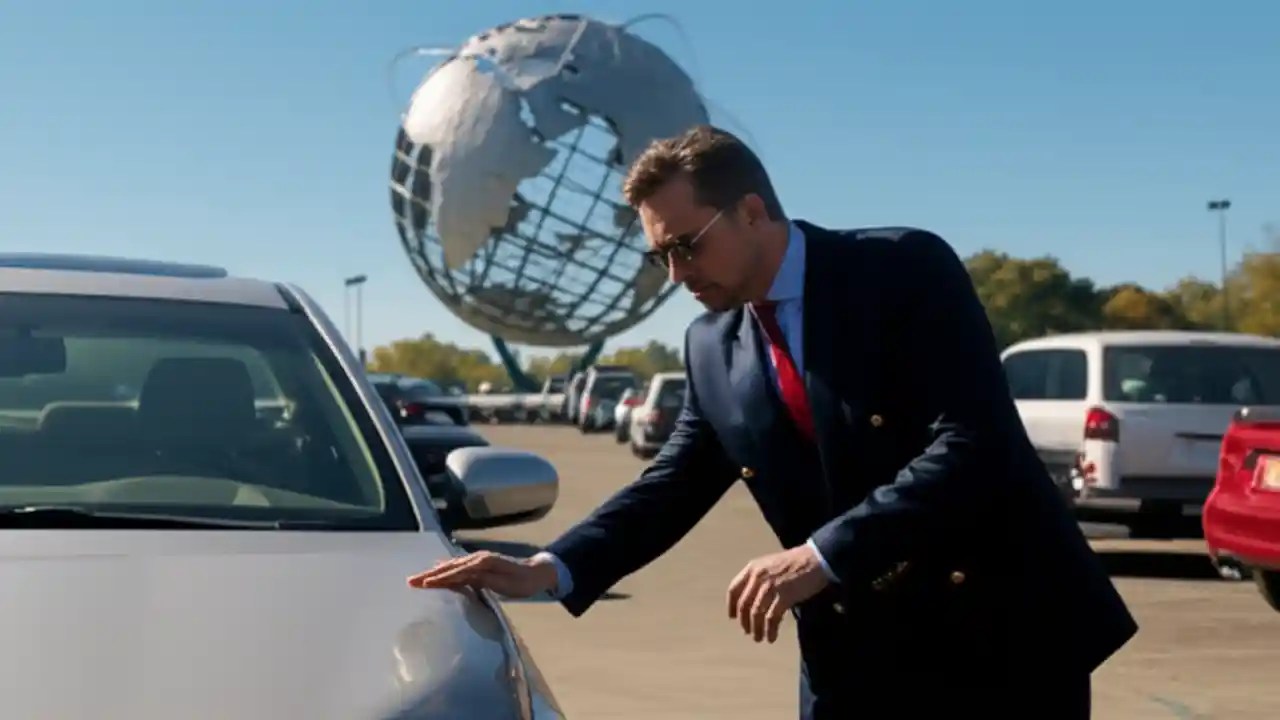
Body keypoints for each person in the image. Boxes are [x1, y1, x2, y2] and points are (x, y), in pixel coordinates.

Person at [407, 124, 1138, 718]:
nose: (675, 275)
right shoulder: (710, 344)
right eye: (658, 255)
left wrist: (818, 557)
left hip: (995, 637)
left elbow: (974, 442)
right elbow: (676, 481)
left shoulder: (901, 271)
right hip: (852, 654)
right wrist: (552, 566)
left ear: (753, 212)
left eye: (686, 245)